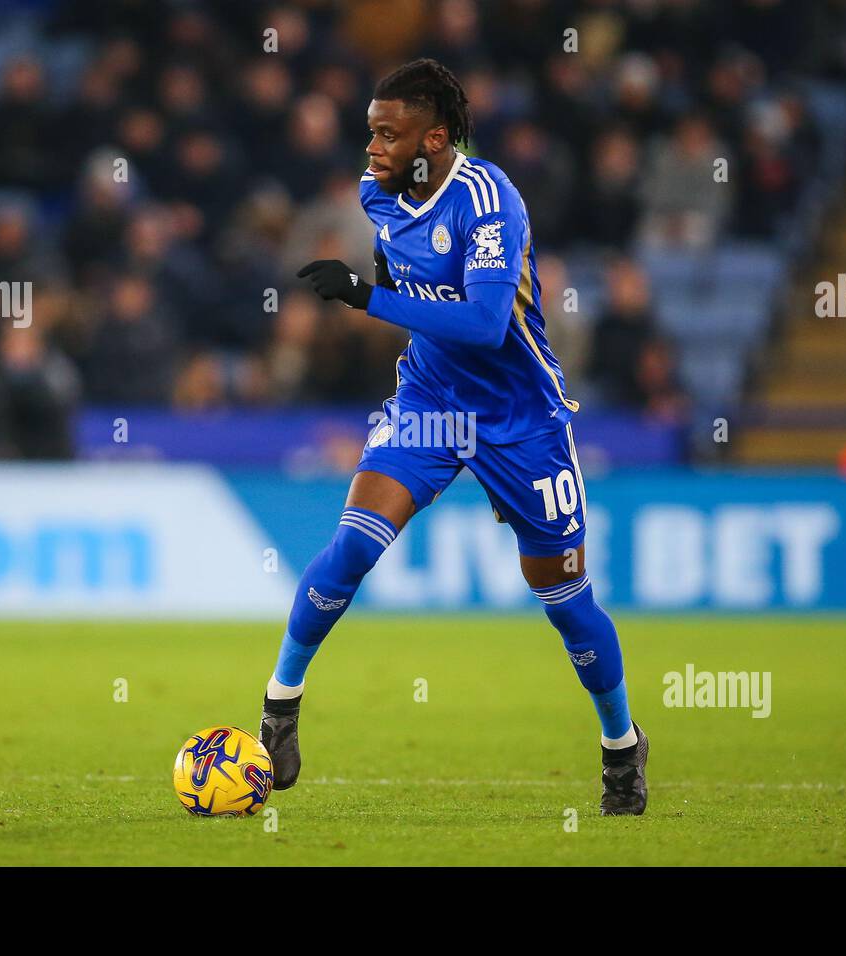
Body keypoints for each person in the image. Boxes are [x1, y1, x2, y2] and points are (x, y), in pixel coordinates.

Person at [265, 59, 648, 816]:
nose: (370, 146)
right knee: (353, 547)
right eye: (369, 130)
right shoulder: (377, 196)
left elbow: (478, 323)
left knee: (566, 601)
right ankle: (280, 703)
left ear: (434, 138)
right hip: (430, 405)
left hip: (520, 419)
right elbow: (410, 280)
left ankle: (621, 746)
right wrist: (386, 286)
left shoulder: (490, 200)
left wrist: (367, 297)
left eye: (388, 132)